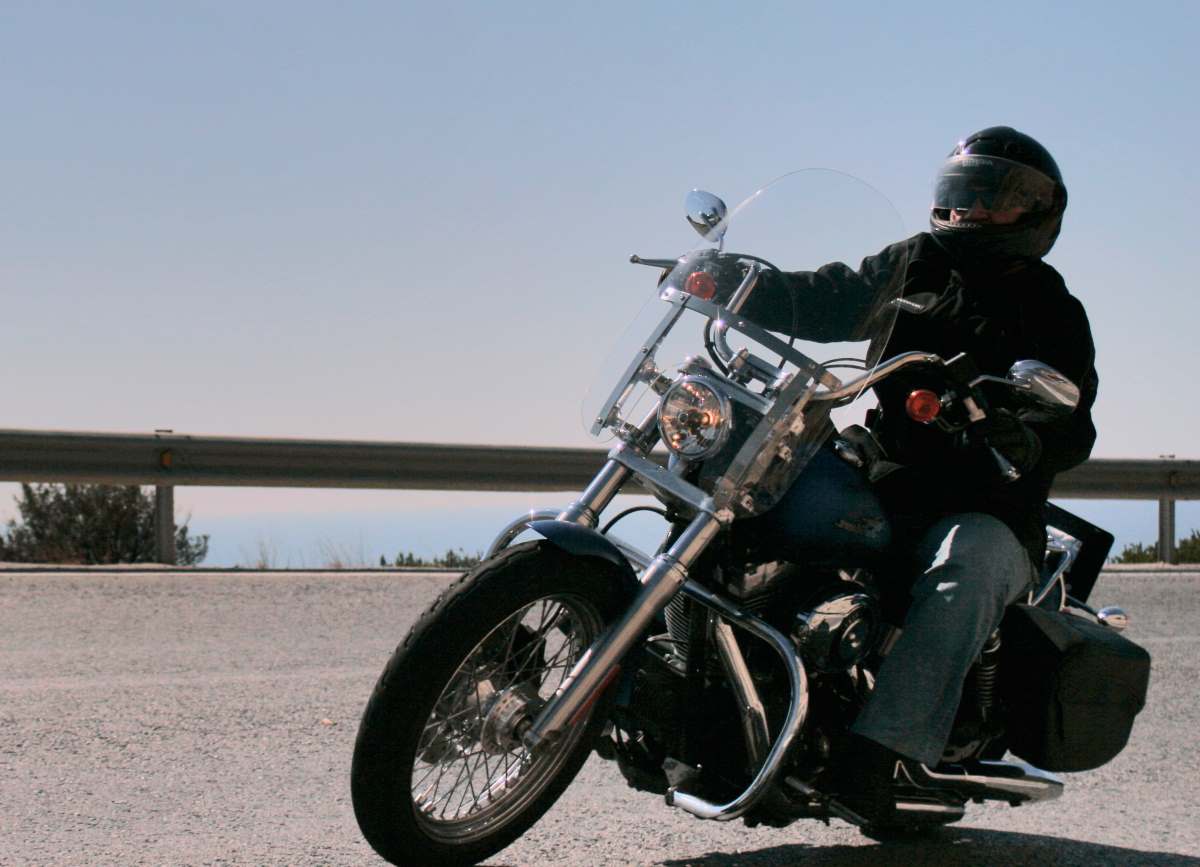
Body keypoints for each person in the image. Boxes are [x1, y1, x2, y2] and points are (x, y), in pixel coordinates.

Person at [737, 126, 1099, 825]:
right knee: (763, 493)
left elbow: (1075, 423)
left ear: (1033, 213)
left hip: (989, 503)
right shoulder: (918, 261)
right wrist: (738, 282)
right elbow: (829, 294)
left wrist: (1023, 434)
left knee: (965, 568)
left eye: (992, 199)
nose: (971, 211)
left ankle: (877, 757)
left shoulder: (1053, 308)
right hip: (886, 476)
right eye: (963, 195)